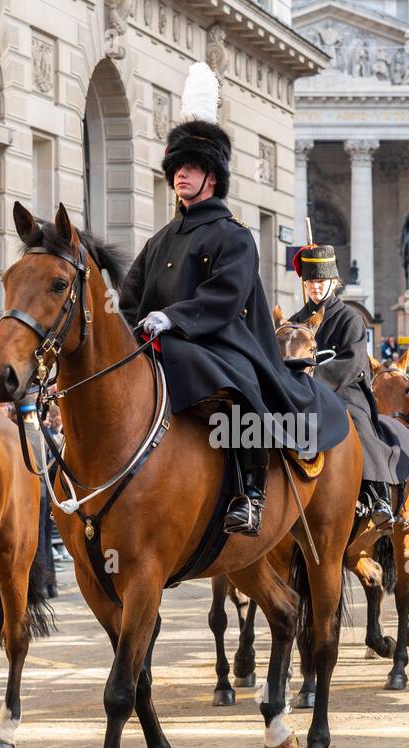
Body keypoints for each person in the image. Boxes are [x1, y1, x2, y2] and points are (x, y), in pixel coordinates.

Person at [119, 62, 348, 536]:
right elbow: (130, 295)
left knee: (236, 394)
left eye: (193, 168)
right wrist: (129, 330)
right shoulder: (160, 239)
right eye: (178, 168)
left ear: (212, 178)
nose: (181, 175)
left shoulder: (236, 237)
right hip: (159, 342)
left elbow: (222, 299)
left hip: (222, 344)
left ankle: (250, 491)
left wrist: (173, 319)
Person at [286, 243, 409, 519]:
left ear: (332, 281)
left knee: (358, 427)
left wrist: (314, 378)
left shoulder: (350, 318)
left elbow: (353, 363)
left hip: (343, 391)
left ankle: (377, 493)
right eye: (310, 281)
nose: (315, 287)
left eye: (320, 281)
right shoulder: (295, 321)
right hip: (298, 393)